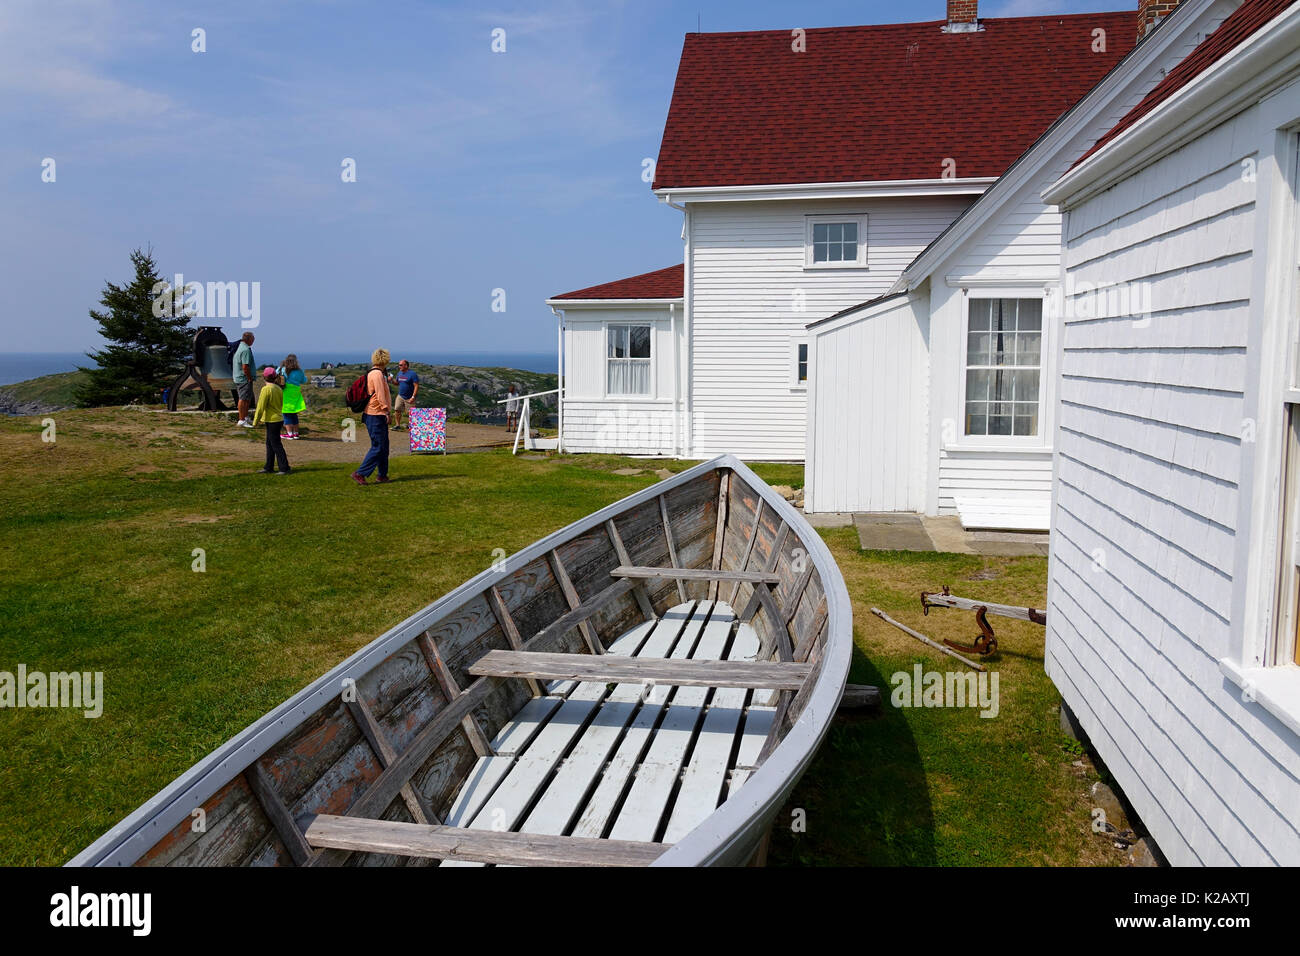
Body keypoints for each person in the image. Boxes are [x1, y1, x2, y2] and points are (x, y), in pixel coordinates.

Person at [352, 348, 392, 486]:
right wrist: (386, 411)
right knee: (379, 446)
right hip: (376, 414)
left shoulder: (373, 373)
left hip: (372, 413)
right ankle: (360, 473)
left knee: (383, 446)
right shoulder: (378, 375)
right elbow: (380, 396)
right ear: (385, 360)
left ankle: (382, 475)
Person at [252, 366, 290, 474]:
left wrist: (255, 421)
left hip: (271, 420)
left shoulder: (266, 389)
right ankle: (268, 466)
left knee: (276, 444)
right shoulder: (278, 388)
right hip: (278, 418)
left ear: (264, 377)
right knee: (270, 444)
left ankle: (284, 467)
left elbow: (260, 407)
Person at [277, 354, 308, 439]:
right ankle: (296, 433)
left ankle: (289, 434)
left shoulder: (283, 369)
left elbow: (276, 374)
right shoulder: (299, 371)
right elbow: (304, 380)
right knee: (294, 414)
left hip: (286, 392)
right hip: (296, 392)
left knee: (286, 414)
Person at [232, 331, 256, 427]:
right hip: (244, 378)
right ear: (249, 339)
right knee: (243, 399)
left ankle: (245, 417)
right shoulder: (245, 350)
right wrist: (249, 378)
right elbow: (245, 366)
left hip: (240, 377)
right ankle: (241, 420)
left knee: (246, 399)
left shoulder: (240, 347)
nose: (253, 341)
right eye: (253, 339)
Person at [389, 359, 420, 430]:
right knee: (397, 410)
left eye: (400, 365)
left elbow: (416, 386)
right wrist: (391, 380)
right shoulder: (399, 373)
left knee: (412, 413)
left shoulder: (412, 374)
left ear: (406, 365)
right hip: (400, 395)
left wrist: (413, 397)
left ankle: (414, 427)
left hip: (409, 397)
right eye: (399, 365)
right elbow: (396, 383)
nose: (399, 366)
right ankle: (397, 425)